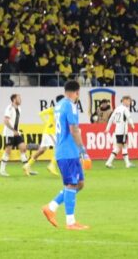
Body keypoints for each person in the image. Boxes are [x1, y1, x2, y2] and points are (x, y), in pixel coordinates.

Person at [42, 81, 90, 230]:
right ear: (77, 92)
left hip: (68, 151)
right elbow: (74, 129)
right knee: (71, 185)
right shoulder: (70, 105)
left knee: (79, 184)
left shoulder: (59, 105)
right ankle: (70, 222)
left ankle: (51, 207)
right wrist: (83, 151)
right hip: (68, 152)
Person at [25, 95, 63, 176]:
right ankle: (52, 165)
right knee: (59, 148)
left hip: (49, 132)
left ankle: (27, 165)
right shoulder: (54, 109)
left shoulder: (59, 109)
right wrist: (47, 123)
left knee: (41, 150)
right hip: (50, 132)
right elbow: (41, 114)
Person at [0, 93, 32, 177]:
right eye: (19, 98)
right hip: (9, 133)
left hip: (16, 132)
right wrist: (13, 130)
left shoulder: (19, 109)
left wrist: (16, 130)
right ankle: (2, 170)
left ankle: (27, 169)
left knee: (23, 148)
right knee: (8, 151)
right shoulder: (9, 108)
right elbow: (5, 121)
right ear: (14, 99)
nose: (20, 100)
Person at [104, 95, 134, 169]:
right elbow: (129, 118)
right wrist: (132, 125)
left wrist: (107, 129)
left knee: (121, 147)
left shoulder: (117, 109)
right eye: (129, 101)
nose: (129, 103)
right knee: (121, 147)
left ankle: (126, 163)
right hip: (123, 131)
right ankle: (110, 162)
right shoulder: (125, 109)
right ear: (124, 100)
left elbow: (111, 119)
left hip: (117, 131)